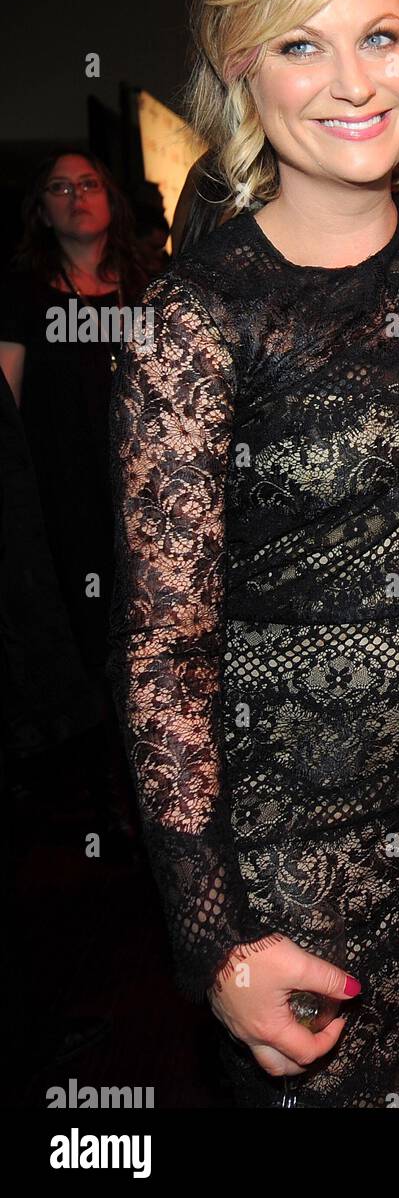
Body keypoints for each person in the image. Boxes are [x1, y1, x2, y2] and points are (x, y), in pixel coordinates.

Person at [107, 0, 399, 1107]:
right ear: (242, 74)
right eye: (300, 43)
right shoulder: (196, 321)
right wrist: (220, 939)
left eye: (378, 37)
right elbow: (162, 656)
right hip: (300, 887)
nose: (350, 80)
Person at [0, 151, 151, 848]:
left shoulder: (149, 283)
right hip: (69, 504)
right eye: (58, 187)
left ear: (110, 198)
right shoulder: (25, 292)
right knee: (93, 644)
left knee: (155, 643)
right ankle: (108, 802)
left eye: (88, 182)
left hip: (151, 498)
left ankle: (163, 794)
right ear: (41, 208)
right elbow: (9, 407)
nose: (75, 196)